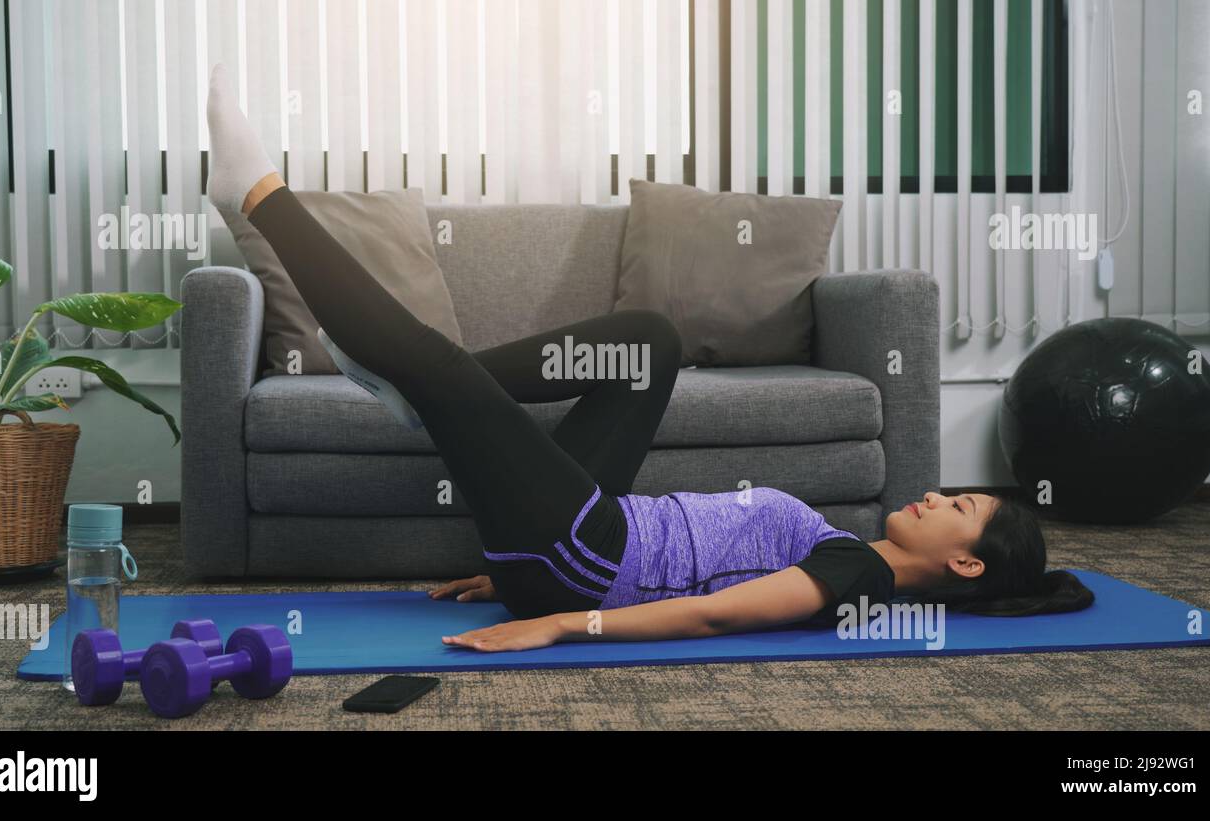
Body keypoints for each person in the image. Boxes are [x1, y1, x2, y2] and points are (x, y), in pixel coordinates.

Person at [204, 64, 1093, 654]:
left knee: (435, 372)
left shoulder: (855, 577)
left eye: (961, 507)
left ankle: (256, 196)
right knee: (648, 348)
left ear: (965, 564)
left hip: (583, 559)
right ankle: (449, 380)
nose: (938, 494)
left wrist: (555, 622)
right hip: (586, 534)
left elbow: (711, 614)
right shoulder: (851, 551)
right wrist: (513, 575)